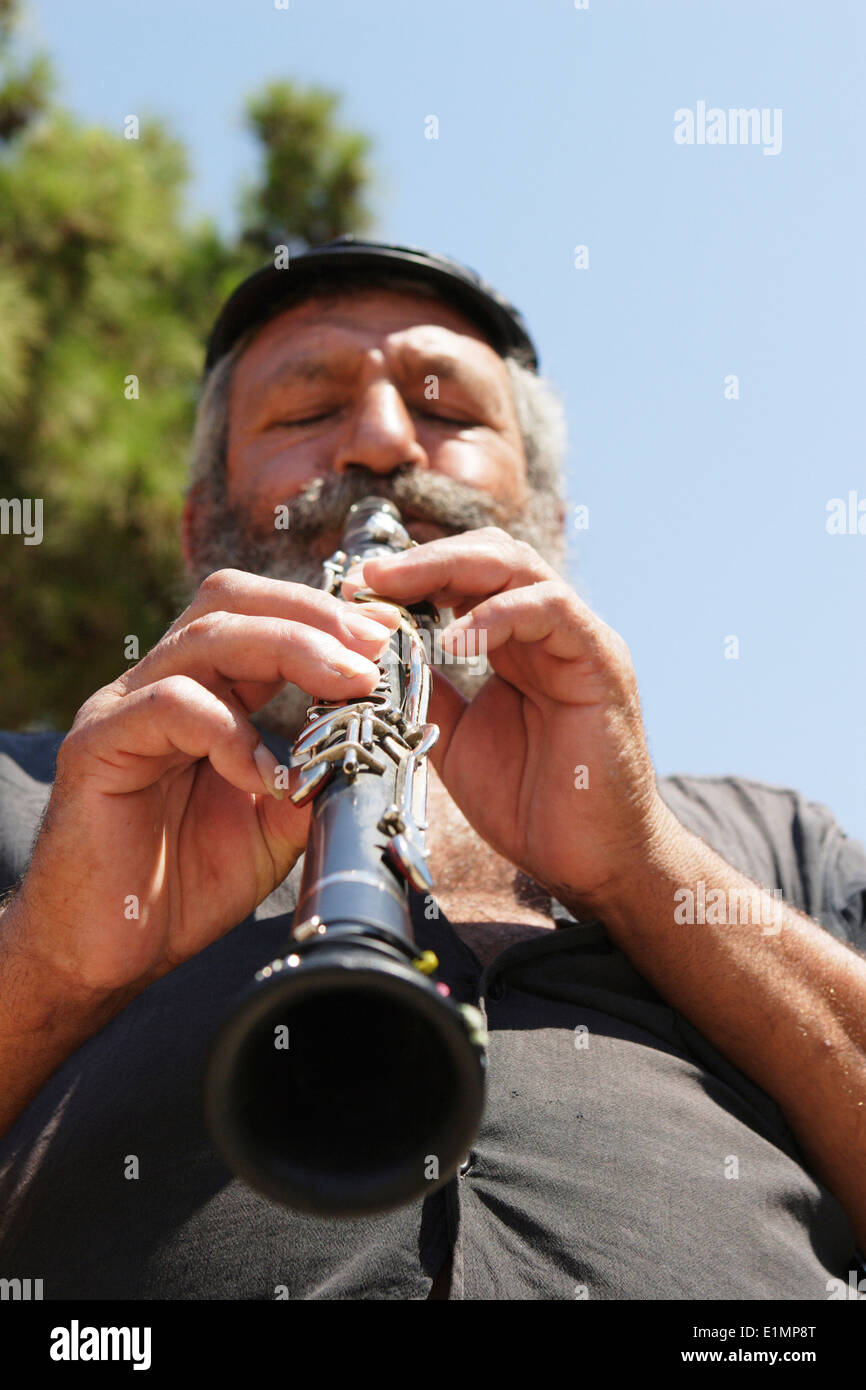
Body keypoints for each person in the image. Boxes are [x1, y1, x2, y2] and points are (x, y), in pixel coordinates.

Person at [0, 237, 864, 1301]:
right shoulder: (46, 796)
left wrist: (644, 868)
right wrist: (47, 971)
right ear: (198, 530)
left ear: (543, 521)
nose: (378, 442)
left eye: (447, 411)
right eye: (305, 410)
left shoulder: (769, 840)